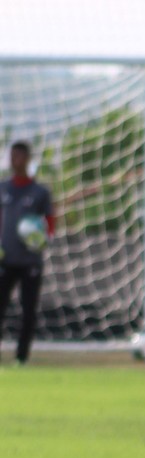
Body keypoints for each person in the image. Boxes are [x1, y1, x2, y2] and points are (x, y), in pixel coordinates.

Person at [0, 141, 55, 365]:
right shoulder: (3, 188)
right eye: (11, 156)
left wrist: (39, 238)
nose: (14, 161)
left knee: (28, 311)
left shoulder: (40, 192)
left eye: (18, 157)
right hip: (6, 259)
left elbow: (49, 224)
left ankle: (21, 358)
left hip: (30, 262)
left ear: (27, 159)